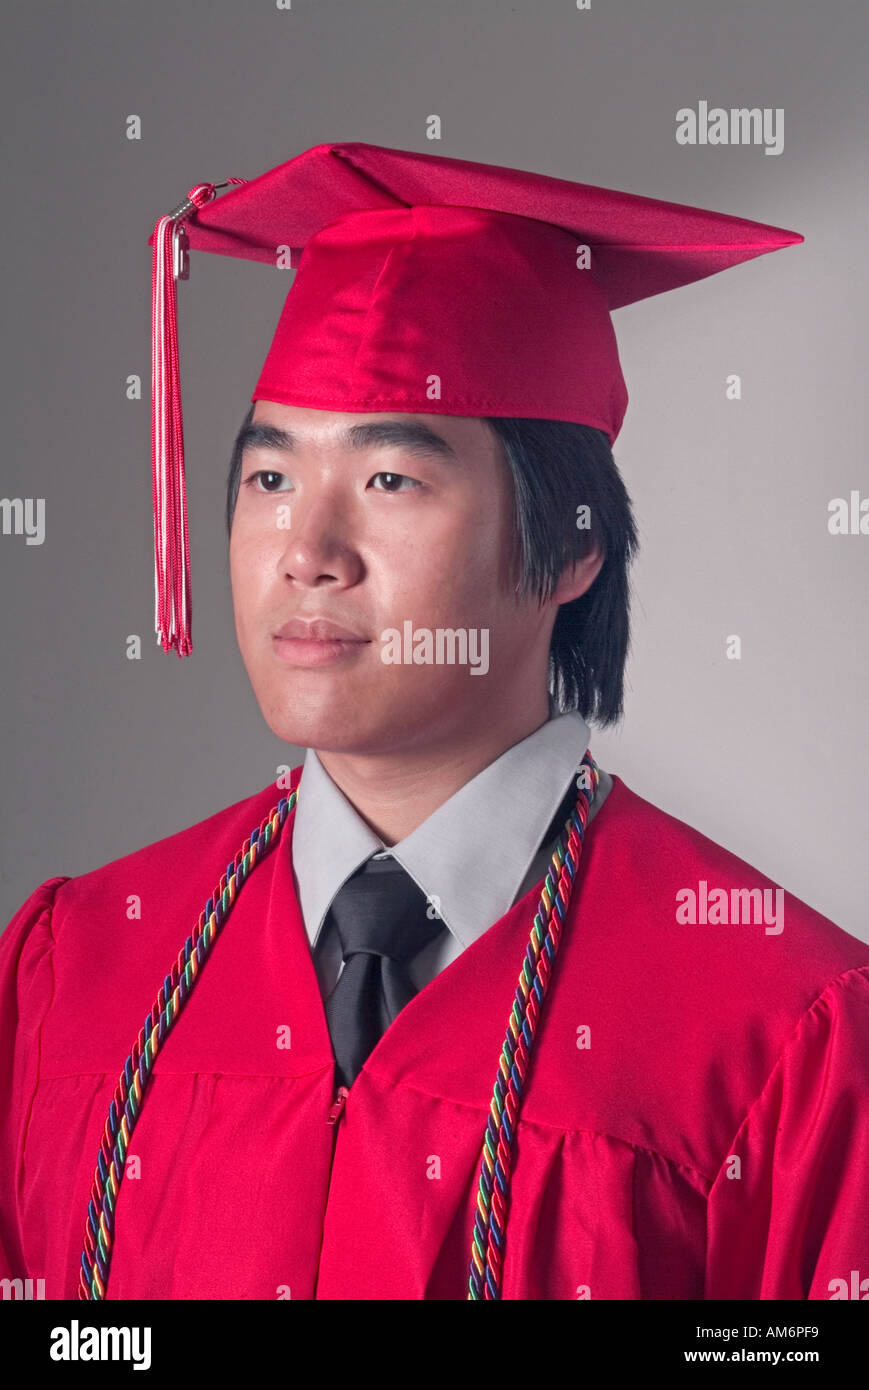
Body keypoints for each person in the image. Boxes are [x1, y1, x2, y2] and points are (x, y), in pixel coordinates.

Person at [1, 142, 867, 1302]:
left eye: (389, 481)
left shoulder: (781, 1031)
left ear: (569, 548)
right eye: (268, 479)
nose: (303, 554)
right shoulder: (77, 970)